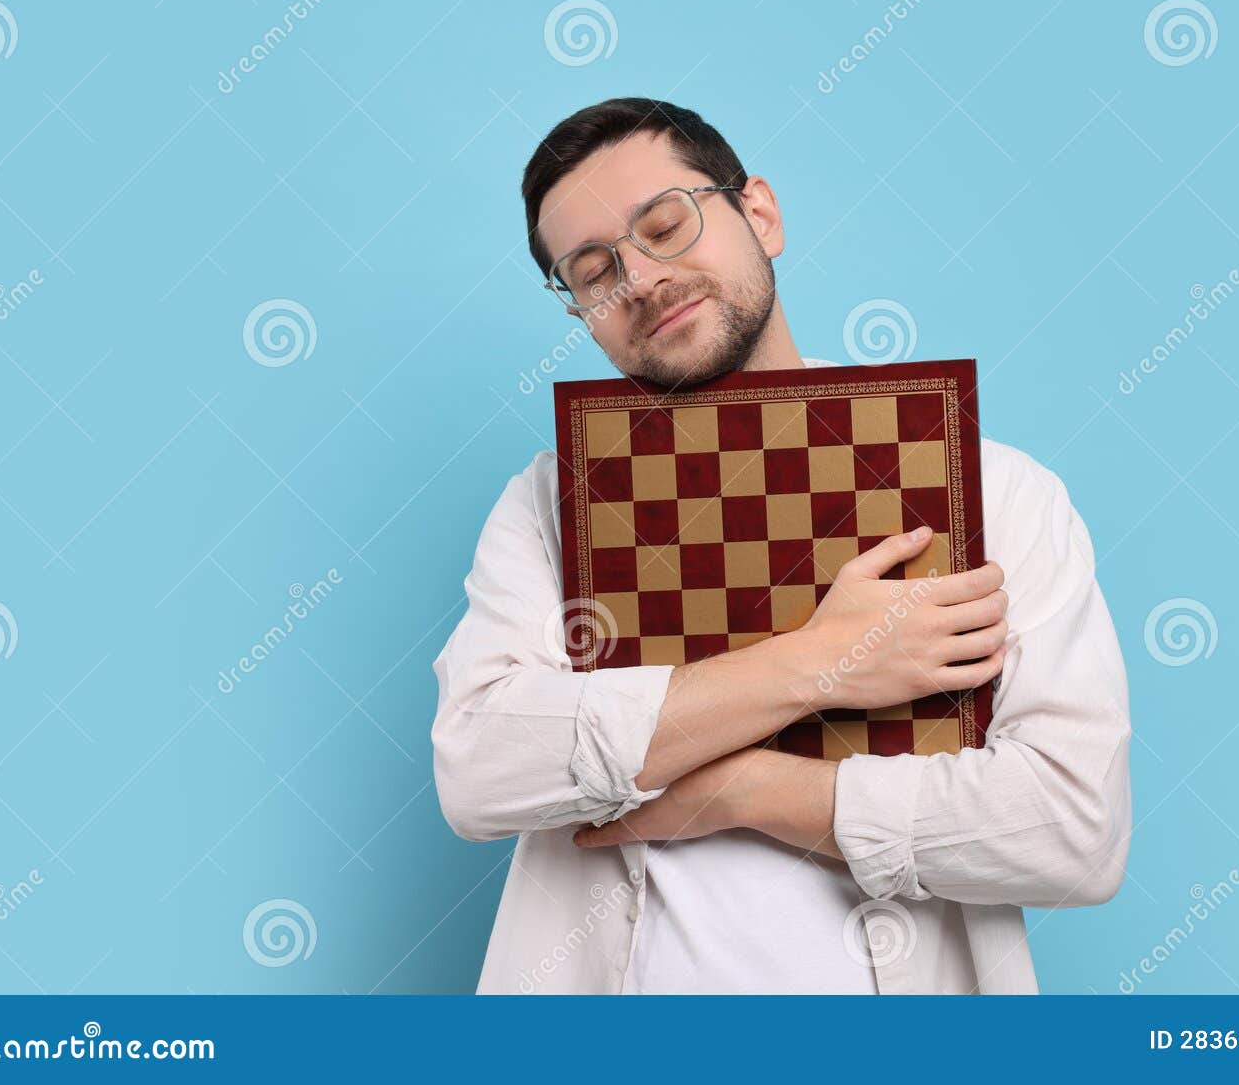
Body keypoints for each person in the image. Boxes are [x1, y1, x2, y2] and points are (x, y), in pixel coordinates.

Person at [431, 97, 1132, 993]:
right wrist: (823, 665)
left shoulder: (994, 491)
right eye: (594, 270)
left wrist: (736, 790)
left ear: (759, 212)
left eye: (665, 223)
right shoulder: (547, 504)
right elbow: (481, 770)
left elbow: (1075, 830)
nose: (641, 279)